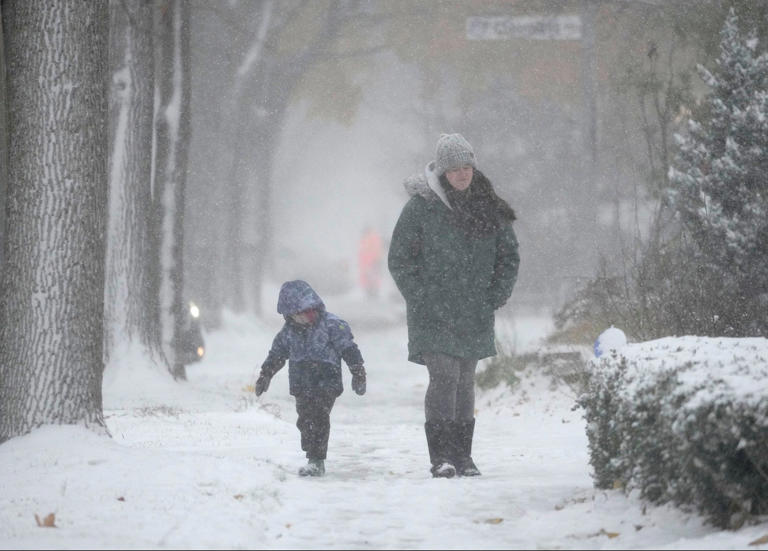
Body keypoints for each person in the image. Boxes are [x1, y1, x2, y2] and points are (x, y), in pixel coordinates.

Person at [388, 133, 520, 478]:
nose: (462, 174)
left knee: (464, 380)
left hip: (474, 310)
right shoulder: (421, 208)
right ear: (442, 172)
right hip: (432, 314)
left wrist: (495, 295)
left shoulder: (488, 206)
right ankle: (442, 456)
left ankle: (463, 456)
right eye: (454, 169)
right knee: (444, 376)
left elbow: (508, 256)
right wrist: (422, 298)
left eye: (467, 167)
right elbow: (400, 260)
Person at [254, 279, 367, 477]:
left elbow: (349, 350)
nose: (304, 317)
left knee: (319, 417)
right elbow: (277, 355)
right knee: (305, 420)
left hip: (326, 382)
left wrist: (358, 373)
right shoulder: (288, 333)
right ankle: (310, 450)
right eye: (297, 315)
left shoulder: (332, 326)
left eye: (307, 312)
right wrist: (266, 374)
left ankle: (316, 459)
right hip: (301, 382)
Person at [358, 226, 384, 298]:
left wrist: (375, 261)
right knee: (371, 277)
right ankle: (371, 291)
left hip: (372, 262)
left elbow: (372, 250)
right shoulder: (369, 238)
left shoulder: (370, 238)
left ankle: (372, 291)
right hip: (370, 262)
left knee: (372, 277)